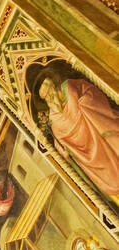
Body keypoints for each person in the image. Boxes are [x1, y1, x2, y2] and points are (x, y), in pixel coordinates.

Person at [37, 73, 119, 203]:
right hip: (91, 156)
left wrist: (85, 104)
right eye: (46, 96)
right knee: (114, 180)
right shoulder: (54, 119)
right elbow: (62, 142)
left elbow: (90, 91)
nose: (50, 96)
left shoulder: (69, 86)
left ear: (53, 85)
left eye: (49, 92)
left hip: (101, 128)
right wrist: (62, 149)